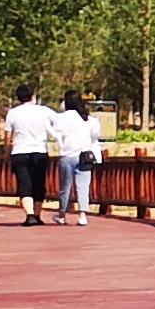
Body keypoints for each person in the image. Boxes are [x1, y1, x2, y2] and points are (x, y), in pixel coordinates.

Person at [3, 83, 61, 226]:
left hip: (20, 151)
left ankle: (29, 215)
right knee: (38, 183)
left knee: (24, 183)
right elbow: (60, 121)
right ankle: (37, 214)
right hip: (40, 150)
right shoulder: (43, 111)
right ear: (33, 96)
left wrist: (6, 152)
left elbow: (8, 136)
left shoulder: (13, 113)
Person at [56, 96, 102, 224]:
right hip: (84, 156)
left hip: (67, 155)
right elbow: (96, 135)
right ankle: (82, 216)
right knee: (83, 187)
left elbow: (56, 133)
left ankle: (62, 215)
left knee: (65, 187)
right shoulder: (88, 119)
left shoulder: (61, 118)